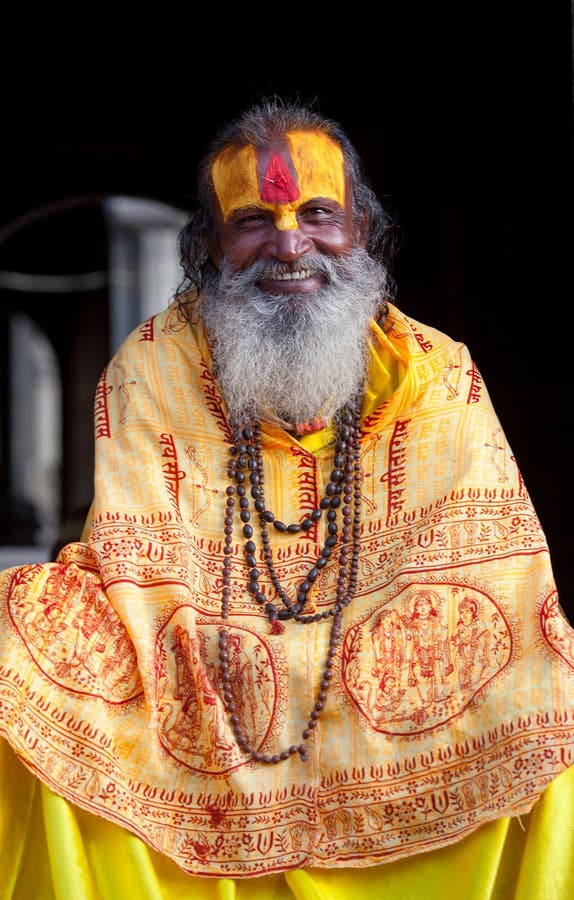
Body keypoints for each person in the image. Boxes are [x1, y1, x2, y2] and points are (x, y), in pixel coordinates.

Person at [0, 97, 573, 899]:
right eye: (253, 220)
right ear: (209, 248)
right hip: (202, 665)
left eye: (318, 212)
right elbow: (138, 571)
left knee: (550, 692)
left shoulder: (441, 371)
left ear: (362, 230)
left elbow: (497, 578)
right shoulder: (152, 365)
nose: (290, 243)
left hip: (402, 667)